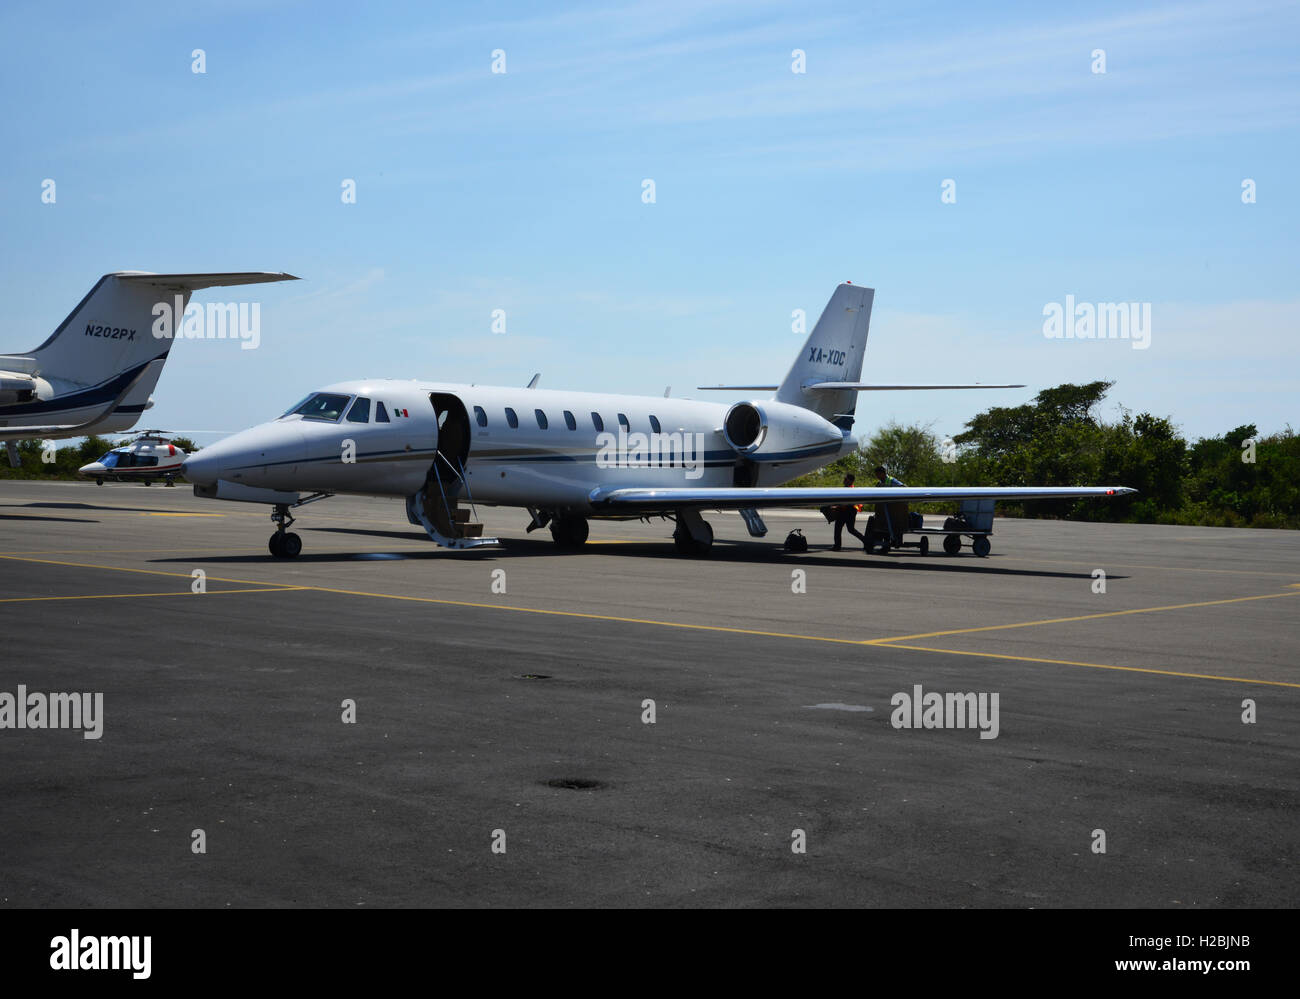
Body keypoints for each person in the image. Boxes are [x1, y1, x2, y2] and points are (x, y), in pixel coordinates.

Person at [831, 473, 866, 550]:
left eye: (845, 479)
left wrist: (836, 507)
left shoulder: (850, 490)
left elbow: (845, 503)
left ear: (850, 481)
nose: (844, 480)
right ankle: (837, 546)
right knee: (844, 529)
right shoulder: (847, 488)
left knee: (849, 529)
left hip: (848, 512)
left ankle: (866, 541)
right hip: (846, 511)